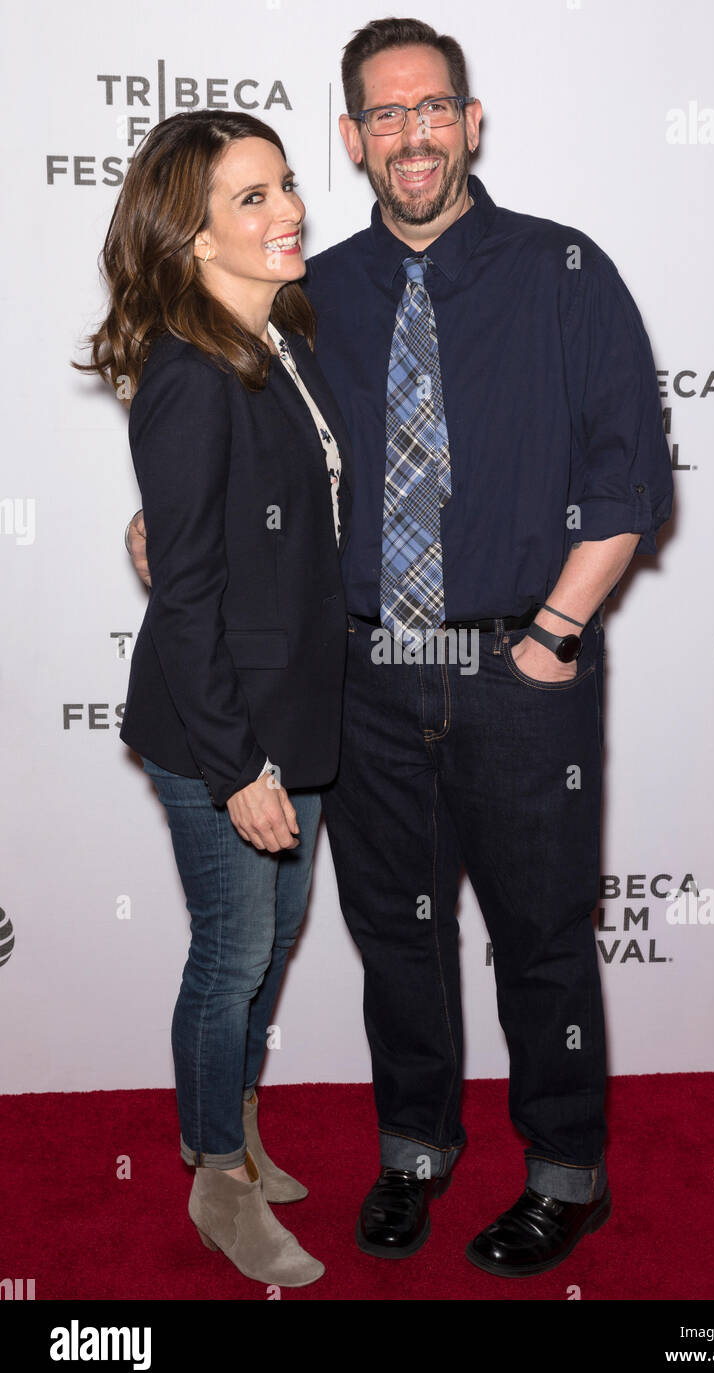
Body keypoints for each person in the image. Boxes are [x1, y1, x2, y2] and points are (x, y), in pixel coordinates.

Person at [129, 16, 674, 1279]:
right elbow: (241, 448)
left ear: (470, 123)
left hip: (517, 670)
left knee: (539, 938)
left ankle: (563, 1176)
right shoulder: (315, 289)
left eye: (432, 108)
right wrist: (154, 515)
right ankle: (416, 1148)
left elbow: (630, 477)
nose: (411, 133)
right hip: (360, 677)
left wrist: (549, 635)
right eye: (384, 114)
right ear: (354, 139)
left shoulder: (566, 272)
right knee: (396, 931)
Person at [82, 108, 351, 1288]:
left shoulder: (280, 335)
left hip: (298, 709)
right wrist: (241, 766)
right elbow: (186, 600)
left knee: (275, 939)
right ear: (190, 236)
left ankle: (236, 1126)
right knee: (233, 952)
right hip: (218, 729)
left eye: (284, 184)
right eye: (250, 197)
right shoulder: (190, 380)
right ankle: (213, 1176)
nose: (285, 208)